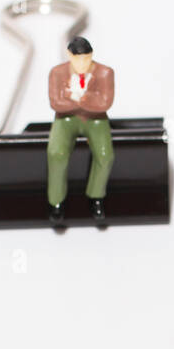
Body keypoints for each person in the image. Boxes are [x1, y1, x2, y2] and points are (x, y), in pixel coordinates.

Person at [46, 36, 115, 224]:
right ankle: (56, 202)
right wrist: (88, 100)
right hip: (65, 120)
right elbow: (56, 103)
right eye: (78, 59)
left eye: (87, 58)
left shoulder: (105, 73)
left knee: (105, 155)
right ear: (69, 56)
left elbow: (105, 103)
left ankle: (96, 196)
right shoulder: (57, 73)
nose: (83, 63)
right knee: (56, 154)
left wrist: (76, 99)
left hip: (95, 120)